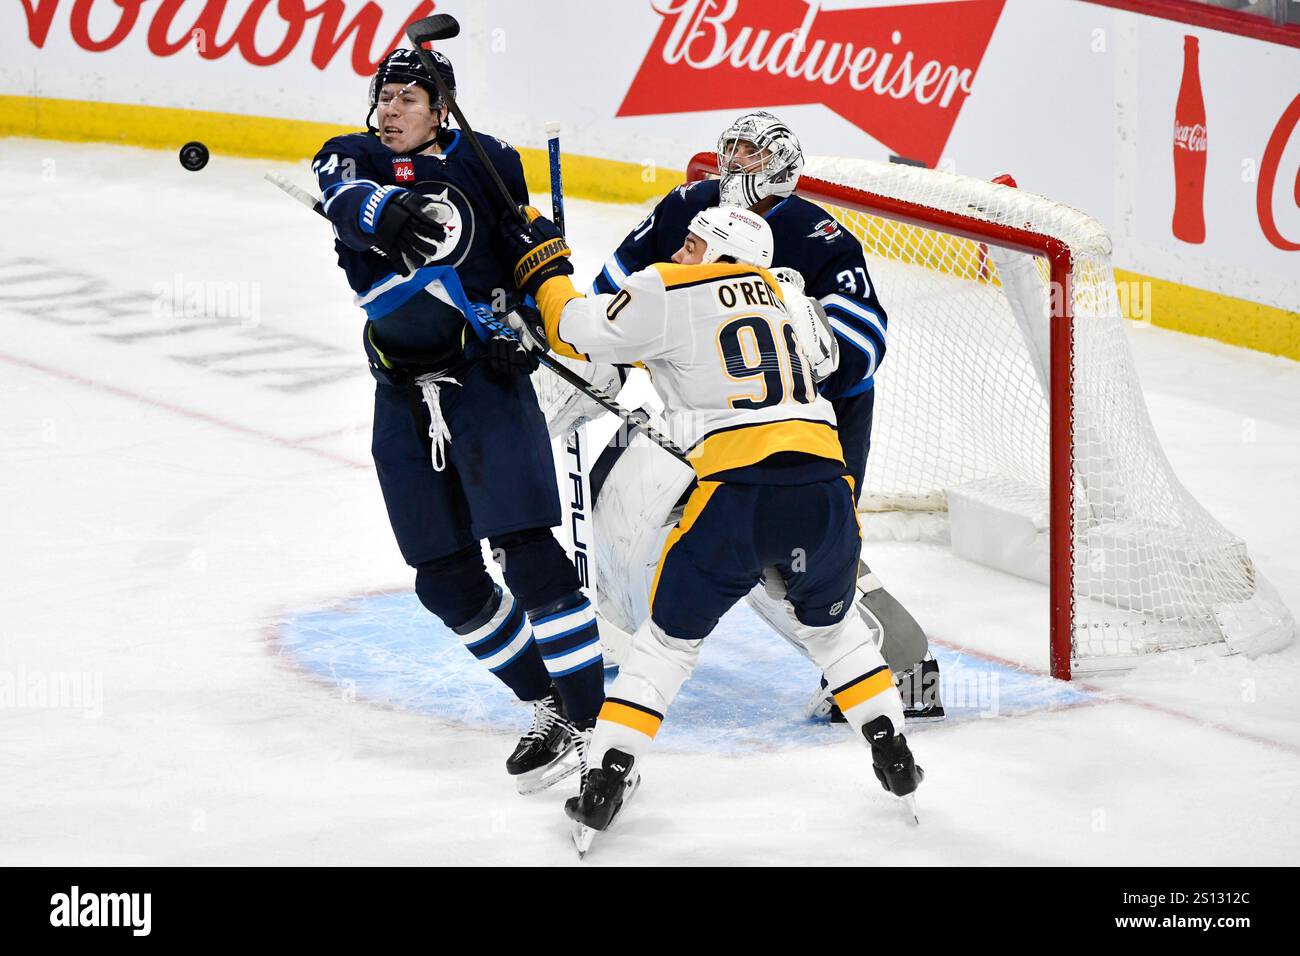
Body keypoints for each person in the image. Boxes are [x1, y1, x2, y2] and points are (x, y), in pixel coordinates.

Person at [497, 203, 924, 853]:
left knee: (666, 647)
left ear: (715, 249)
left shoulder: (667, 285)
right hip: (825, 490)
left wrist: (545, 265)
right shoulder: (791, 291)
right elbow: (789, 358)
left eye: (695, 242)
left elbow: (577, 328)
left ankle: (607, 779)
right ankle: (893, 752)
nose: (683, 248)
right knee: (833, 634)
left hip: (738, 496)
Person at [581, 111, 943, 721]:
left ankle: (903, 667)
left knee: (789, 551)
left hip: (810, 420)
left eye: (750, 155)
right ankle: (613, 629)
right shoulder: (689, 205)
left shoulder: (819, 234)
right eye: (730, 151)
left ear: (779, 165)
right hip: (706, 412)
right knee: (620, 474)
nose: (733, 166)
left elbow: (863, 345)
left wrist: (764, 345)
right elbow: (615, 290)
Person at [309, 47, 603, 794]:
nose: (390, 110)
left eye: (409, 98)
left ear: (443, 108)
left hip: (484, 383)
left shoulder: (492, 162)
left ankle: (596, 728)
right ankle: (548, 704)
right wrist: (382, 211)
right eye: (384, 97)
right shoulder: (355, 156)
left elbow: (522, 248)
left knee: (531, 558)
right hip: (402, 396)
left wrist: (541, 320)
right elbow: (342, 197)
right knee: (442, 579)